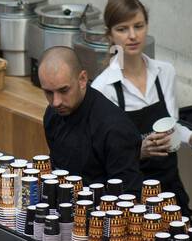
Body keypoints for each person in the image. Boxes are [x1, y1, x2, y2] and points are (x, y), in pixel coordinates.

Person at [91, 0, 192, 215]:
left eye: (139, 26)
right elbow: (101, 155)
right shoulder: (103, 88)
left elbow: (172, 127)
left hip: (169, 185)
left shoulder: (165, 72)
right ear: (110, 34)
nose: (132, 36)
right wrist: (139, 151)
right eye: (122, 29)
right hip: (131, 195)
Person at [39, 45, 142, 189]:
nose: (56, 102)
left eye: (64, 90)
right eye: (49, 93)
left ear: (82, 79)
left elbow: (127, 196)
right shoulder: (52, 115)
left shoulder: (115, 129)